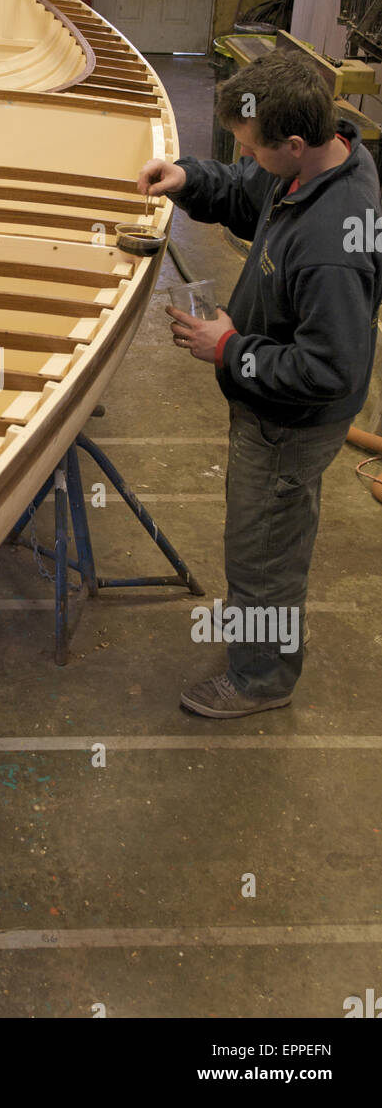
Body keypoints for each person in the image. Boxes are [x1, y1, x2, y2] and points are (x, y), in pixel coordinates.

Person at [137, 50, 382, 719]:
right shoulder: (309, 168)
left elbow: (326, 368)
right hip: (273, 406)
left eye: (251, 147)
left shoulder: (333, 242)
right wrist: (186, 178)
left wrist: (229, 349)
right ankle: (258, 641)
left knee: (262, 554)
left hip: (289, 421)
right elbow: (245, 192)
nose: (246, 157)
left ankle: (260, 680)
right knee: (269, 538)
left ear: (295, 143)